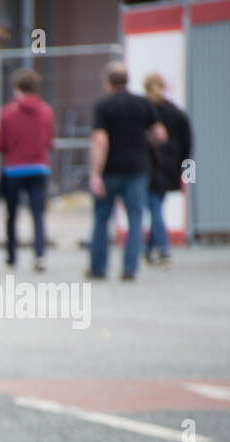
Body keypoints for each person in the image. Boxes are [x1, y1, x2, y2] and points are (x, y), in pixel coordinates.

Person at [87, 61, 166, 281]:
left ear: (107, 82)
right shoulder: (143, 104)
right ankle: (130, 268)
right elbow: (159, 135)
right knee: (135, 218)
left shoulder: (103, 105)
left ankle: (98, 268)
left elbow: (100, 140)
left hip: (110, 171)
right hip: (137, 170)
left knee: (102, 218)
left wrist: (95, 173)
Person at [0, 68, 54, 271]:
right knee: (38, 213)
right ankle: (40, 255)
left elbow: (0, 144)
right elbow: (49, 140)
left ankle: (12, 254)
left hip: (14, 169)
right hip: (39, 167)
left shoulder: (7, 112)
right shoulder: (46, 111)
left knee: (12, 213)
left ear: (16, 88)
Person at [142, 72, 192, 267]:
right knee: (157, 207)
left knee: (154, 208)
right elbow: (188, 145)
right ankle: (149, 250)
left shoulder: (145, 113)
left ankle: (163, 249)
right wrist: (187, 175)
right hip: (171, 167)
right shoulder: (177, 113)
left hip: (150, 165)